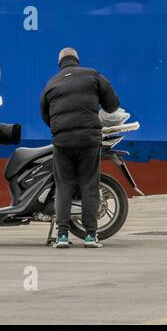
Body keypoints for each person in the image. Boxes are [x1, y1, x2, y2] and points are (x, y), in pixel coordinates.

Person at [39, 47, 120, 249]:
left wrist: (61, 130)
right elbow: (112, 104)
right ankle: (91, 237)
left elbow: (45, 115)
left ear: (60, 64)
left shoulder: (51, 83)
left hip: (63, 142)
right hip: (88, 140)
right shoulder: (92, 75)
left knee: (64, 186)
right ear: (77, 60)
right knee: (89, 185)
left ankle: (63, 236)